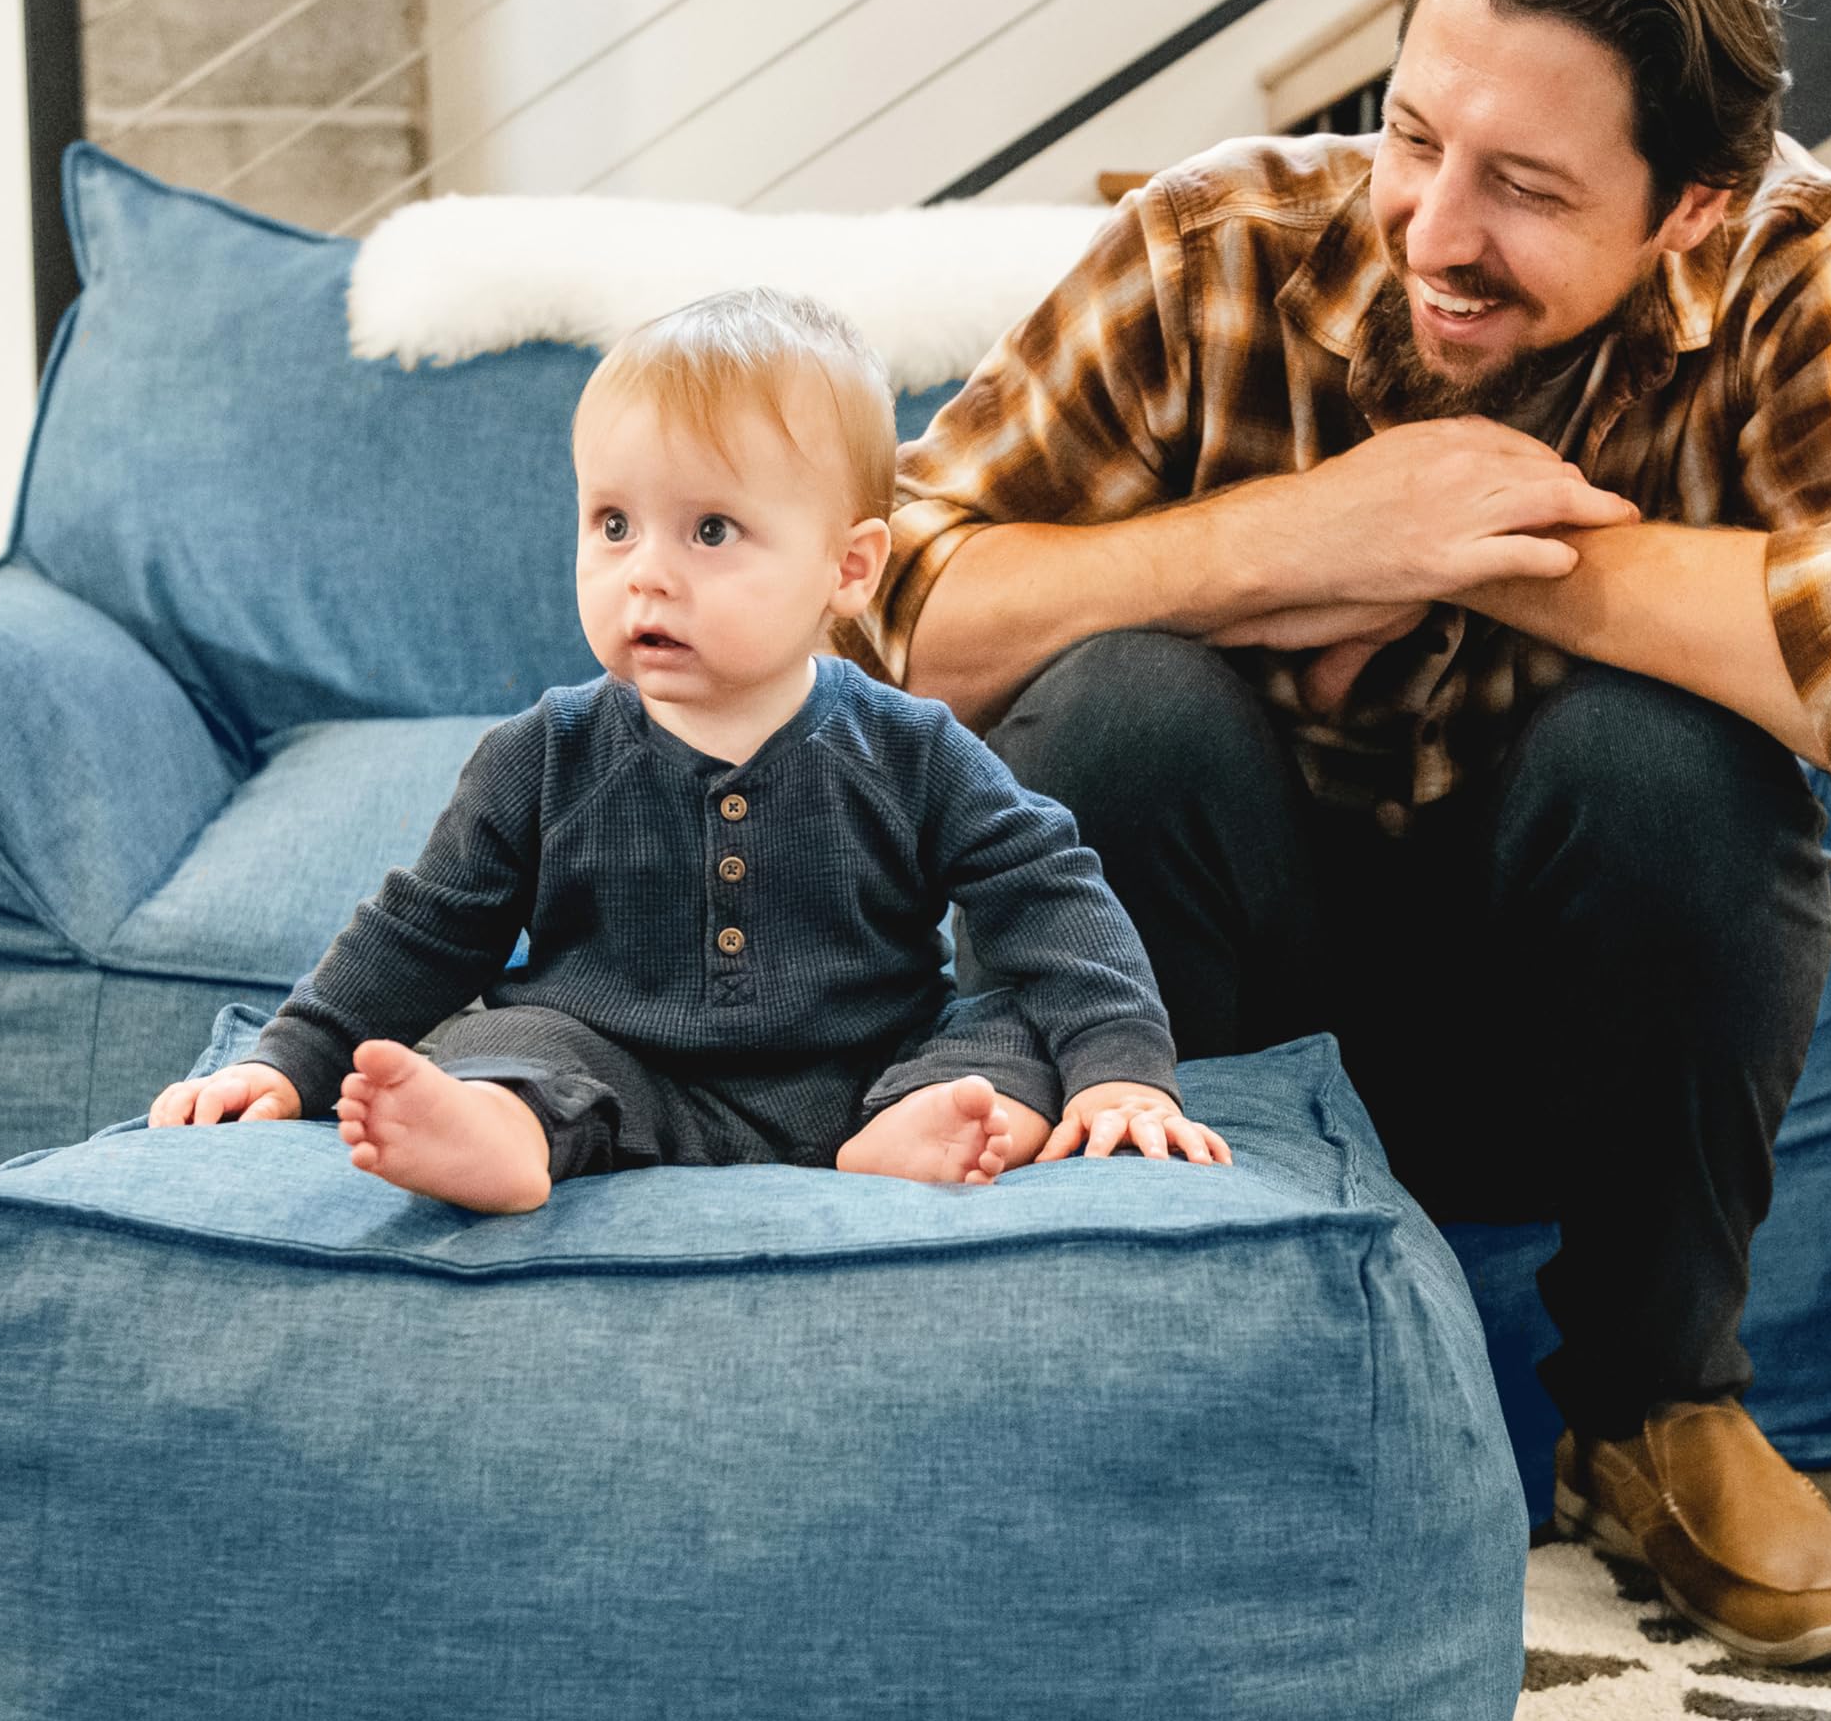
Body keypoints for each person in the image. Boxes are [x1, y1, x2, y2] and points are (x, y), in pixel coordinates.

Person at [840, 0, 1831, 1669]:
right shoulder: (1213, 248)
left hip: (1569, 1024)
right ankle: (1145, 1382)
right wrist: (1287, 545)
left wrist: (1511, 550)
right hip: (1203, 1006)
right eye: (1410, 135)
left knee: (1669, 757)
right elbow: (878, 612)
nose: (1431, 230)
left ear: (1693, 208)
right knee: (1121, 699)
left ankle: (1652, 1415)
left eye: (1527, 189)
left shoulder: (1805, 261)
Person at [152, 286, 1224, 1213]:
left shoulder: (910, 748)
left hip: (864, 1067)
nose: (644, 575)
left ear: (848, 570)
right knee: (496, 1046)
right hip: (611, 1066)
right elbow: (422, 931)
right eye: (613, 524)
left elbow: (1049, 895)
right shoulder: (545, 755)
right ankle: (501, 1140)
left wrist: (1120, 1072)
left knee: (1004, 1035)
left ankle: (906, 1139)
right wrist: (288, 1058)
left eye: (709, 531)